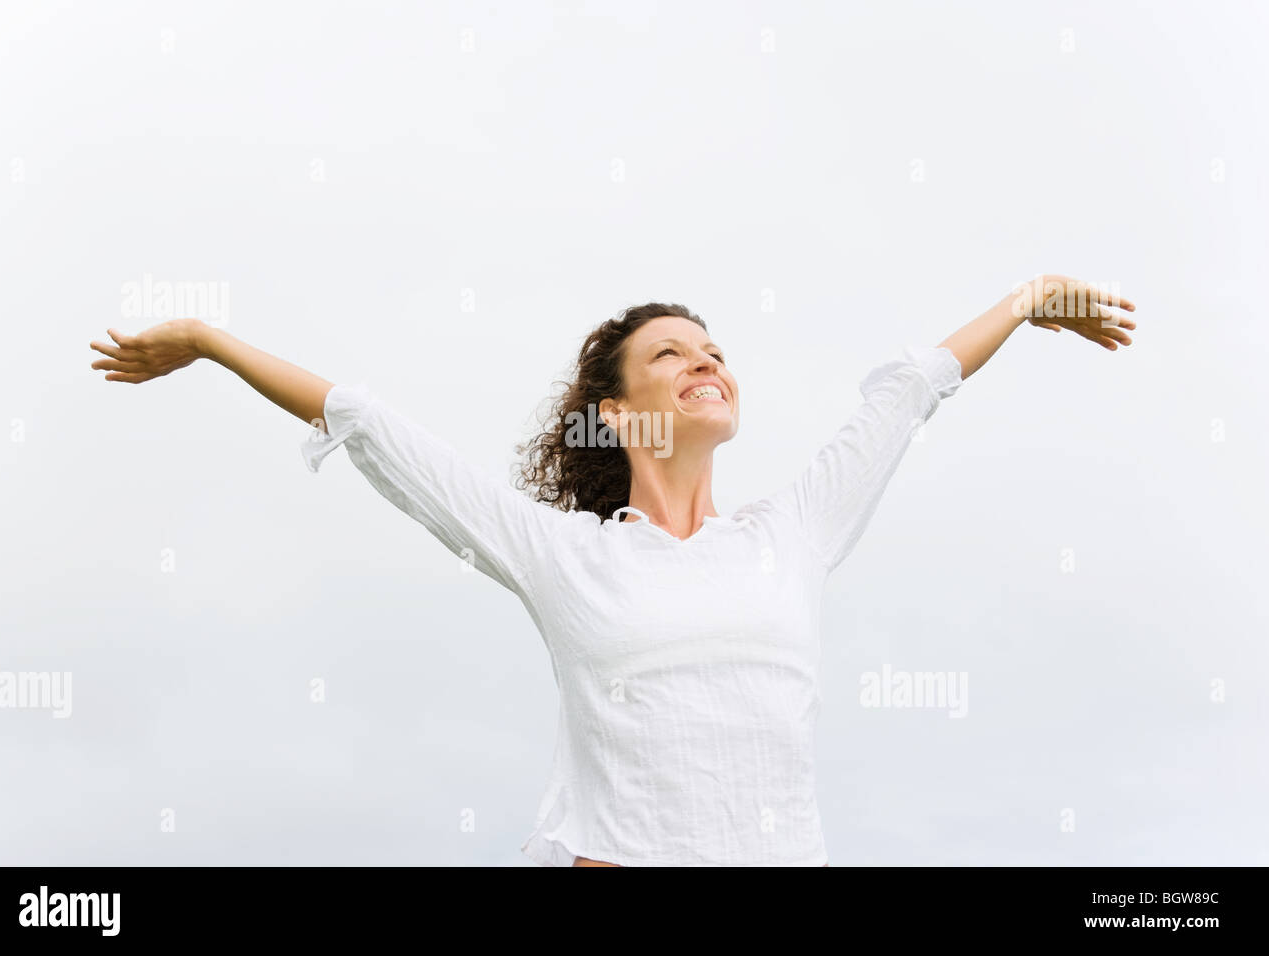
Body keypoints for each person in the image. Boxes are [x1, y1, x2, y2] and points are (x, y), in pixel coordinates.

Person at [89, 275, 1136, 866]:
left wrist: (1028, 298)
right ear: (624, 409)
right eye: (672, 354)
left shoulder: (789, 534)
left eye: (714, 349)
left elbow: (905, 391)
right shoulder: (567, 555)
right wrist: (212, 340)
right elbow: (377, 429)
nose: (707, 362)